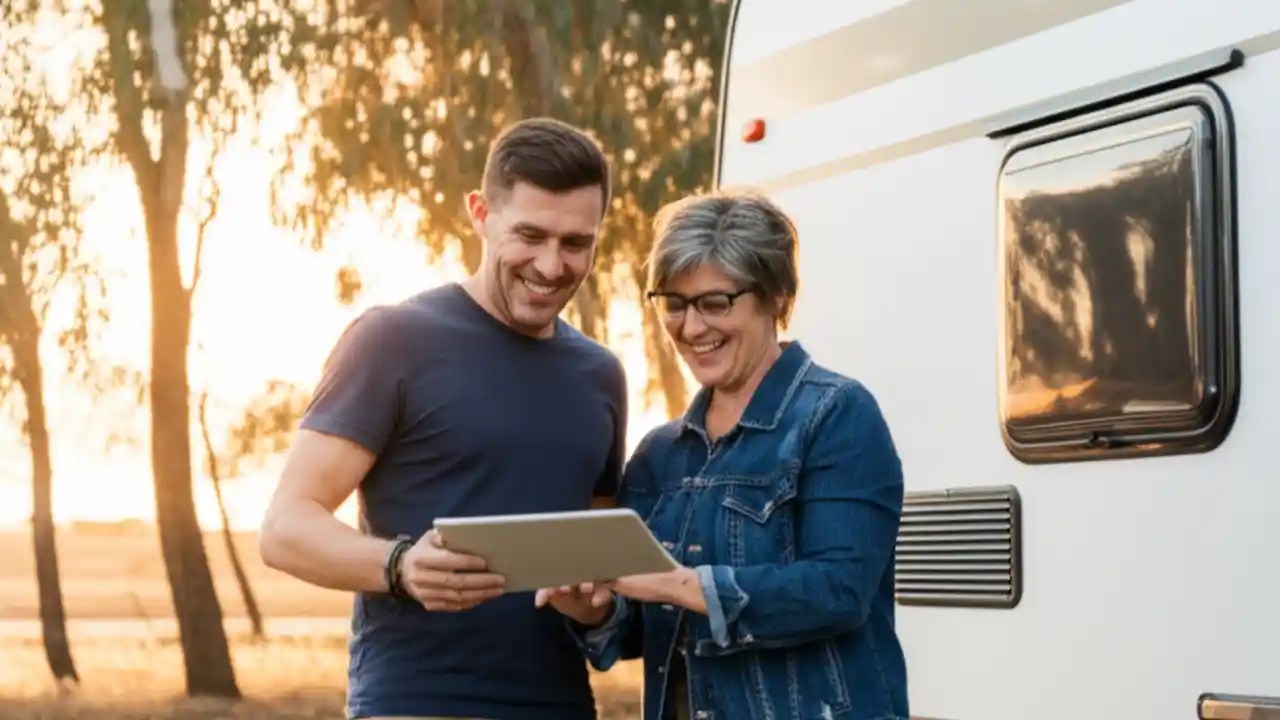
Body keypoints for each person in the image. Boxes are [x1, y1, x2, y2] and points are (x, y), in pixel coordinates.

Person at [259, 117, 628, 720]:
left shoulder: (601, 375)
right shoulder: (392, 339)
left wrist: (595, 602)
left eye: (575, 243)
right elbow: (284, 529)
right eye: (529, 235)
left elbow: (594, 556)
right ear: (481, 213)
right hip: (417, 702)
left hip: (561, 704)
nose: (551, 265)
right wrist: (400, 565)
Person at [538, 192, 909, 720]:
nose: (691, 329)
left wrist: (682, 583)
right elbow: (644, 627)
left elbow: (839, 589)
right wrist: (592, 611)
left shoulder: (837, 415)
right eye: (674, 303)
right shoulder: (658, 455)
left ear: (775, 296)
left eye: (715, 303)